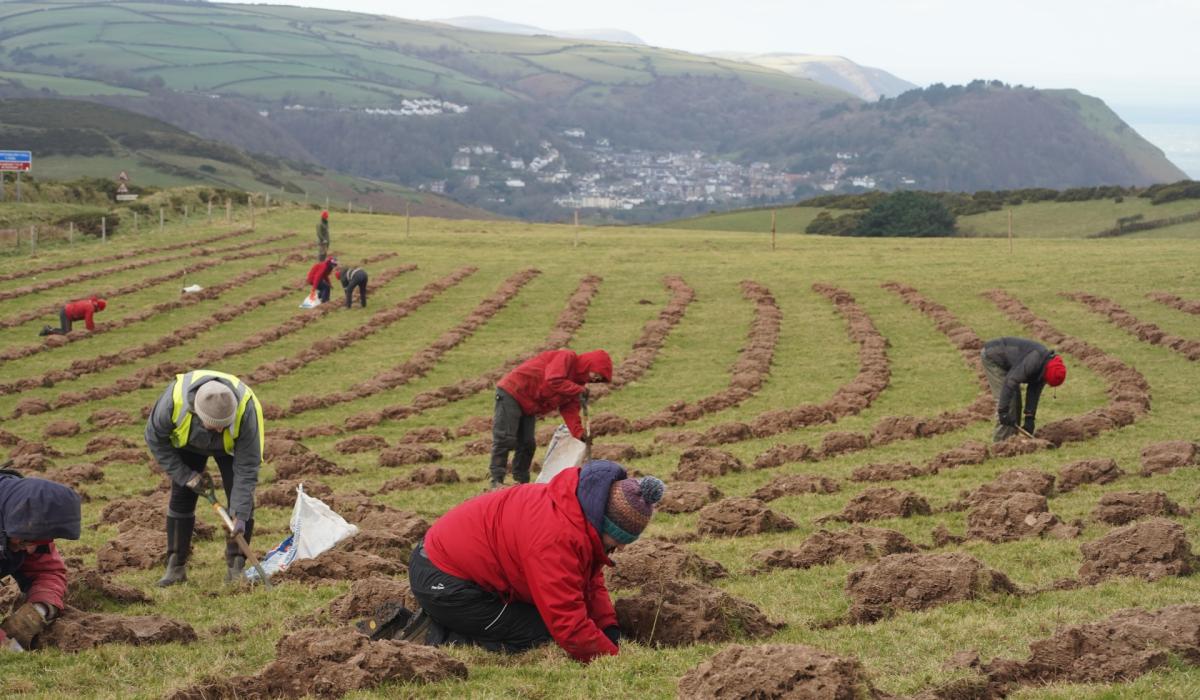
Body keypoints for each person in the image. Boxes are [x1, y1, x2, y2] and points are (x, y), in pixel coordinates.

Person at [408, 460, 664, 662]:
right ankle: (437, 635)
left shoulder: (576, 510)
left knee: (552, 618)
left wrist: (608, 628)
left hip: (456, 569)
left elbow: (587, 578)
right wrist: (611, 658)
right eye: (619, 539)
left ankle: (459, 619)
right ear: (604, 522)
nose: (620, 547)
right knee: (544, 632)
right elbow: (568, 626)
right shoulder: (555, 537)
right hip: (445, 582)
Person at [144, 370, 264, 587]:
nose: (219, 429)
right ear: (197, 413)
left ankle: (236, 568)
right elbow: (155, 440)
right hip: (188, 444)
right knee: (182, 497)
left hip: (231, 451)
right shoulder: (172, 403)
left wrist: (240, 514)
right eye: (214, 425)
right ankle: (175, 568)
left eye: (224, 424)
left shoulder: (247, 412)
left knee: (241, 504)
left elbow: (247, 468)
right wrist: (186, 476)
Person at [490, 349, 613, 488]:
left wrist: (579, 434)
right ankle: (496, 481)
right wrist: (578, 390)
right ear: (590, 364)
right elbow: (554, 379)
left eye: (598, 379)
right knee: (505, 438)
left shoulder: (577, 386)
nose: (594, 379)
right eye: (596, 374)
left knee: (527, 444)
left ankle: (520, 483)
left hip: (529, 405)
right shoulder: (566, 357)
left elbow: (570, 411)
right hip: (513, 391)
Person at [0, 466, 82, 652]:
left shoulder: (25, 528)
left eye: (39, 541)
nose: (31, 549)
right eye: (27, 540)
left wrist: (39, 610)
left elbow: (46, 571)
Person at [981, 337, 1067, 442]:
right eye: (1047, 382)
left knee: (1016, 404)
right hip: (993, 357)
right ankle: (1000, 445)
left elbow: (1033, 391)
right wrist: (1003, 411)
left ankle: (1012, 441)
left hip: (1011, 364)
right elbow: (1010, 382)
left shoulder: (1047, 367)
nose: (1046, 384)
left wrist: (1029, 418)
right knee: (1010, 404)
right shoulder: (1034, 361)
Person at [39, 295, 106, 336]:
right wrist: (91, 330)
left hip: (68, 311)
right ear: (99, 307)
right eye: (100, 310)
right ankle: (48, 329)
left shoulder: (90, 303)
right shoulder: (90, 308)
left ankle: (49, 329)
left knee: (67, 331)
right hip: (66, 312)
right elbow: (88, 321)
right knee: (66, 332)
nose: (98, 312)